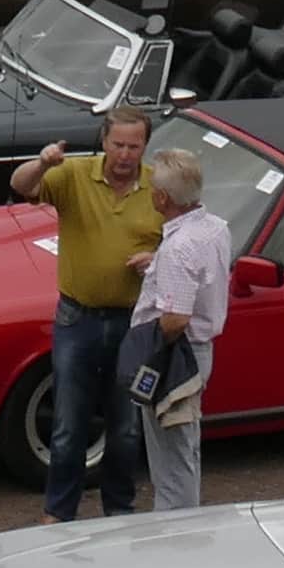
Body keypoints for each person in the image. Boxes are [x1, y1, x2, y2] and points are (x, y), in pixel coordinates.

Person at [7, 111, 162, 521]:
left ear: (145, 147)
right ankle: (59, 510)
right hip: (78, 319)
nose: (125, 155)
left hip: (133, 322)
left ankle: (119, 510)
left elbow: (184, 239)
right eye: (118, 145)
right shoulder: (74, 174)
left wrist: (158, 259)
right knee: (68, 425)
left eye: (134, 146)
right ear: (104, 142)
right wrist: (42, 162)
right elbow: (21, 186)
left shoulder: (158, 188)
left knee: (127, 428)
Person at [119, 144, 235, 510]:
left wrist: (143, 349)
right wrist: (157, 265)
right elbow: (199, 272)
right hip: (199, 352)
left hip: (176, 358)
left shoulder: (177, 249)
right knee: (185, 447)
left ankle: (173, 530)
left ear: (163, 197)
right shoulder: (214, 228)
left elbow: (175, 319)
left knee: (172, 458)